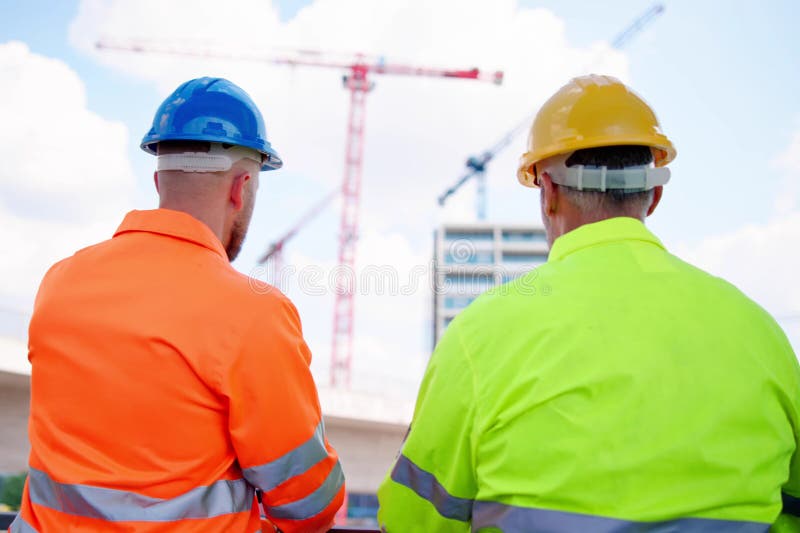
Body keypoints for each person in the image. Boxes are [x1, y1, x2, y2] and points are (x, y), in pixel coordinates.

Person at [377, 74, 800, 532]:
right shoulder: (761, 334)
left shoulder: (480, 336)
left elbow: (412, 520)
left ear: (548, 193)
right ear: (654, 195)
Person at [11, 77, 344, 533]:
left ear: (159, 179)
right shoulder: (253, 314)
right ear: (241, 188)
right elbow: (311, 506)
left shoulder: (60, 283)